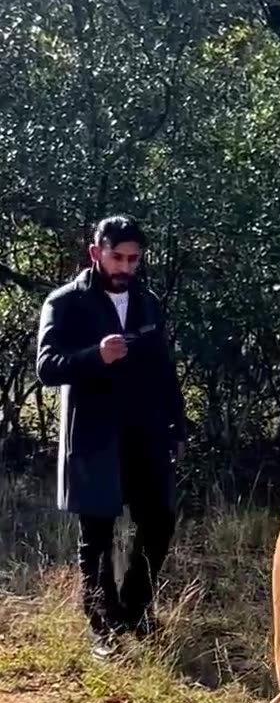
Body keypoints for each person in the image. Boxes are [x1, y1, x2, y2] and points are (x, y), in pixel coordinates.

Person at [36, 214, 186, 656]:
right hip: (94, 435)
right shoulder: (64, 303)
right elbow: (46, 367)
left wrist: (176, 425)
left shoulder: (147, 302)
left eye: (133, 259)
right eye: (116, 256)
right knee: (97, 529)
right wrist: (94, 356)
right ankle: (102, 627)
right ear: (96, 253)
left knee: (159, 520)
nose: (124, 267)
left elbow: (164, 369)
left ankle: (136, 612)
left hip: (146, 432)